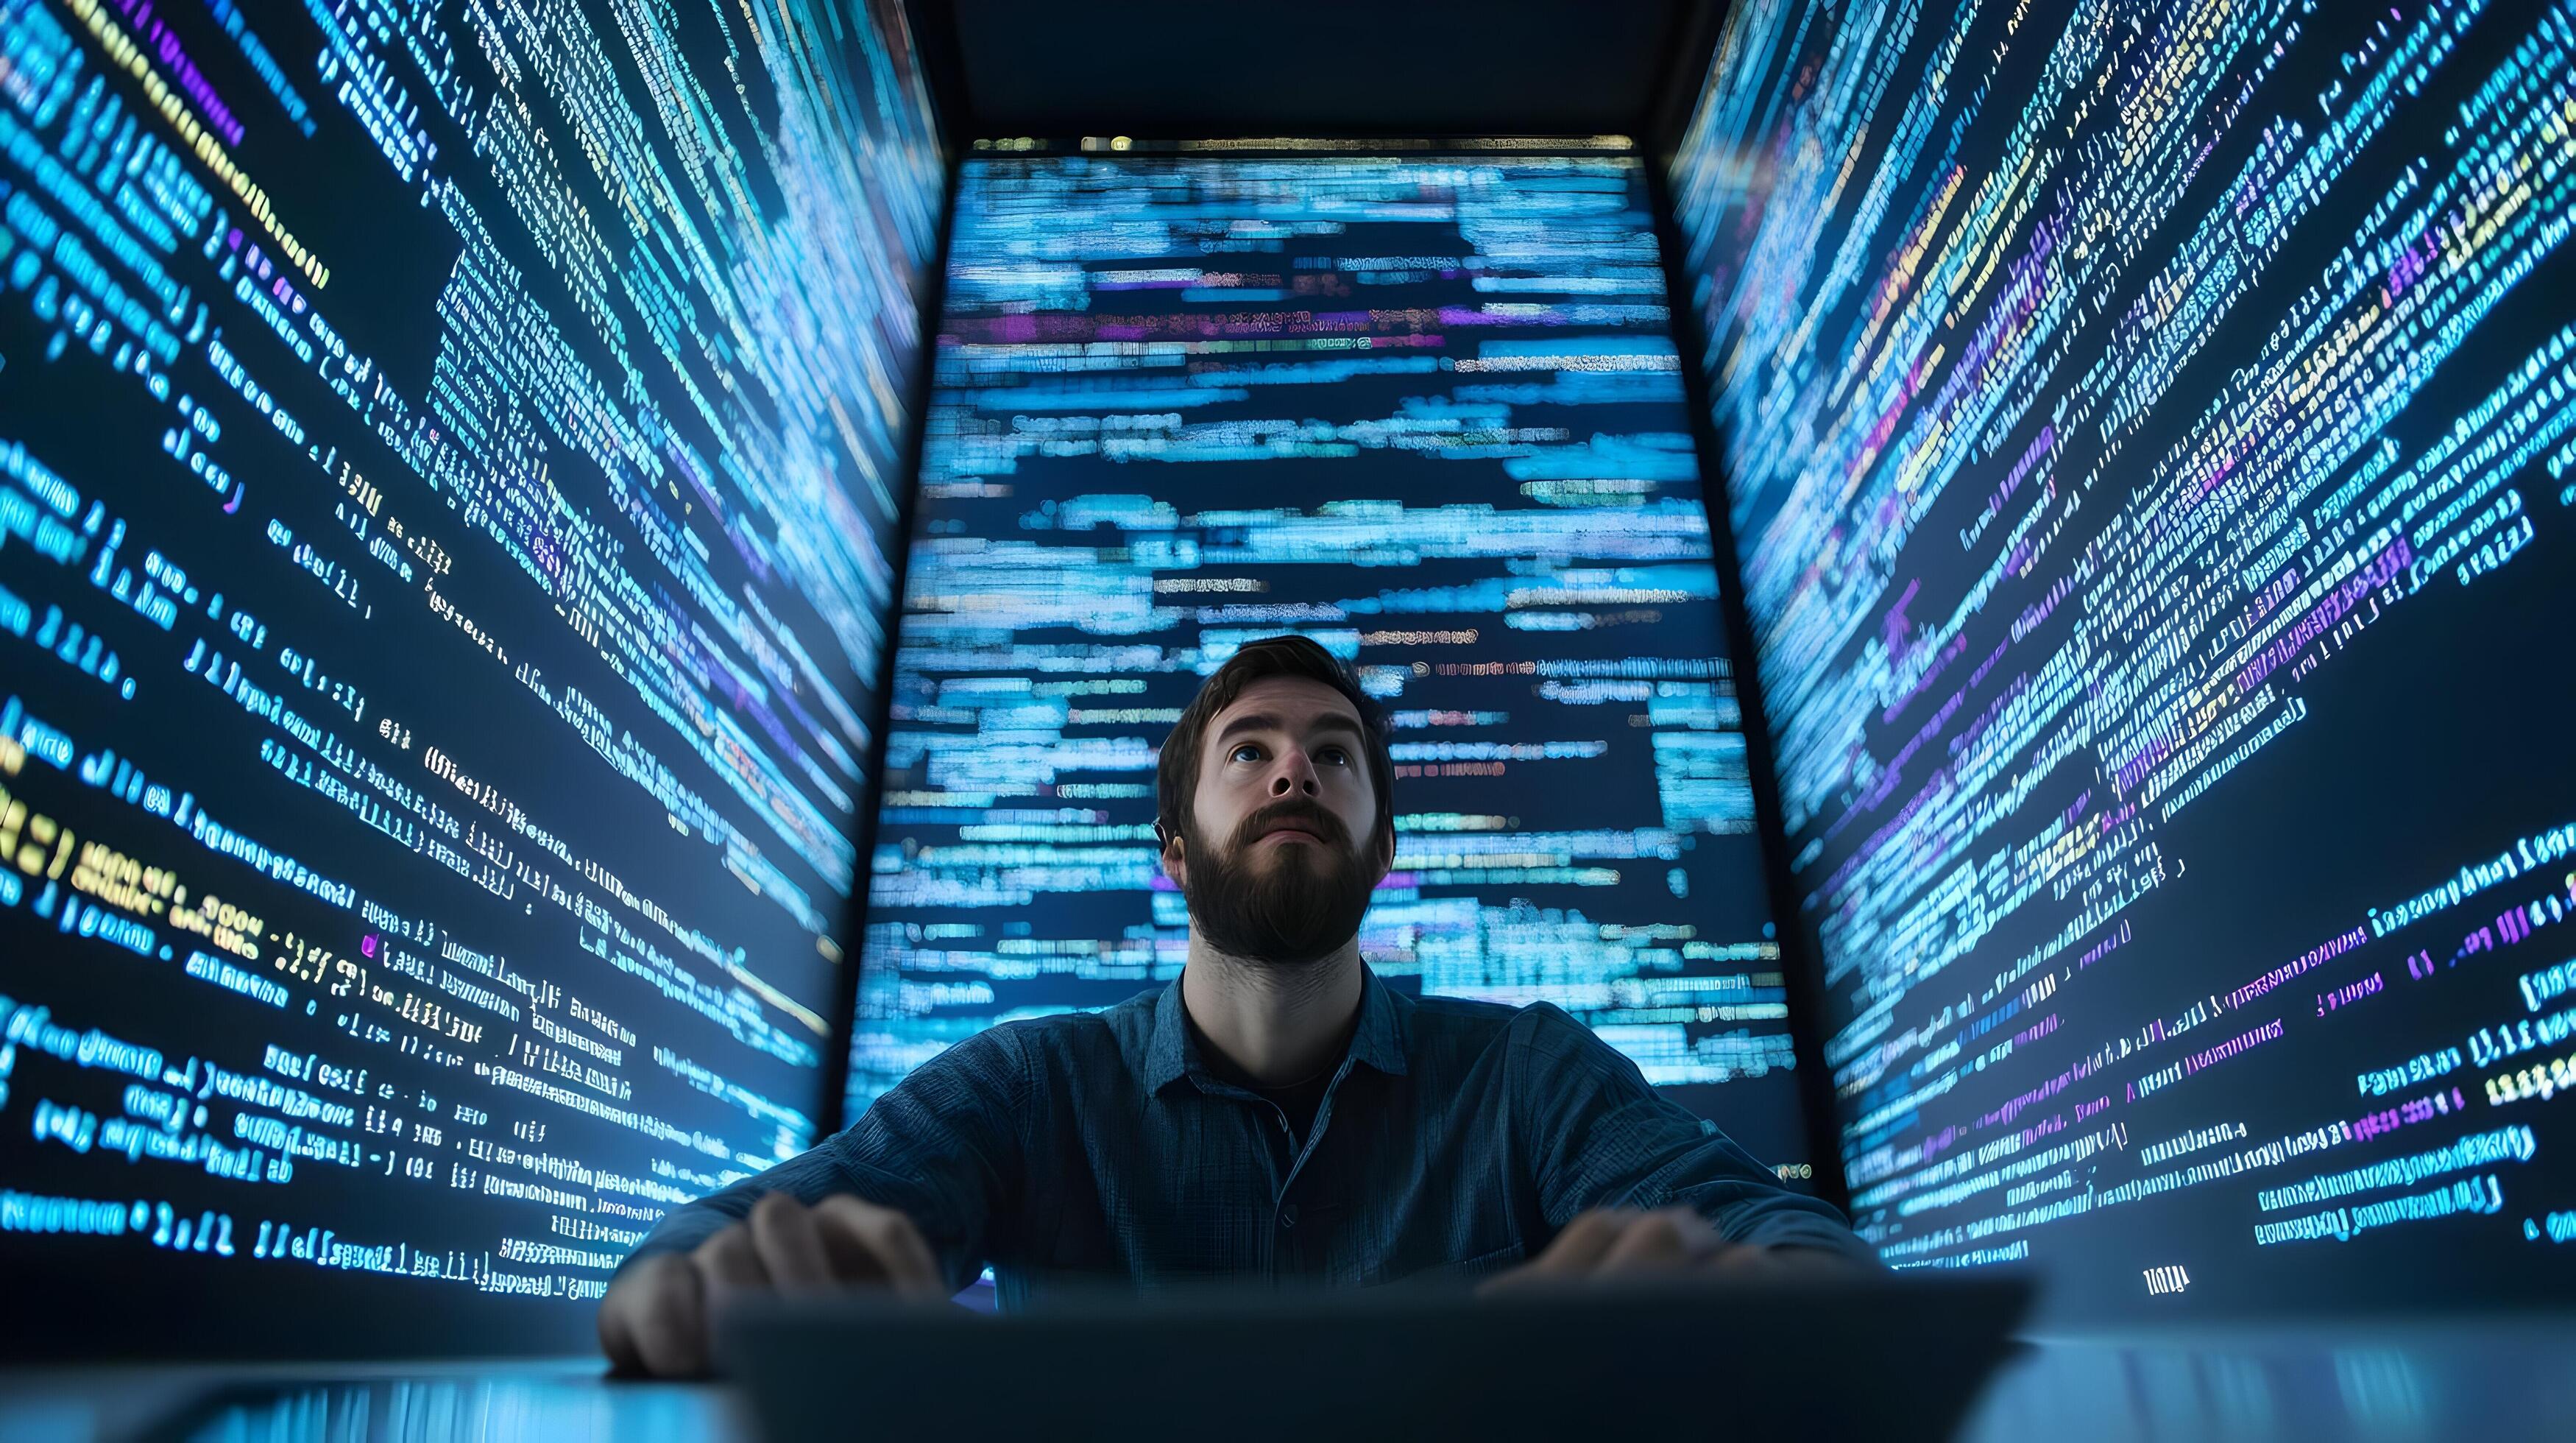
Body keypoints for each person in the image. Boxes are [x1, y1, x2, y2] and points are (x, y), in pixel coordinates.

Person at [601, 635, 1877, 1376]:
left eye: (1334, 755)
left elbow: (1802, 1252)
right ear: (1174, 845)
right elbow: (687, 1262)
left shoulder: (1528, 1076)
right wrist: (696, 1299)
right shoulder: (1027, 1087)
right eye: (1251, 751)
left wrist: (1748, 1310)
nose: (1295, 775)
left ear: (1385, 850)